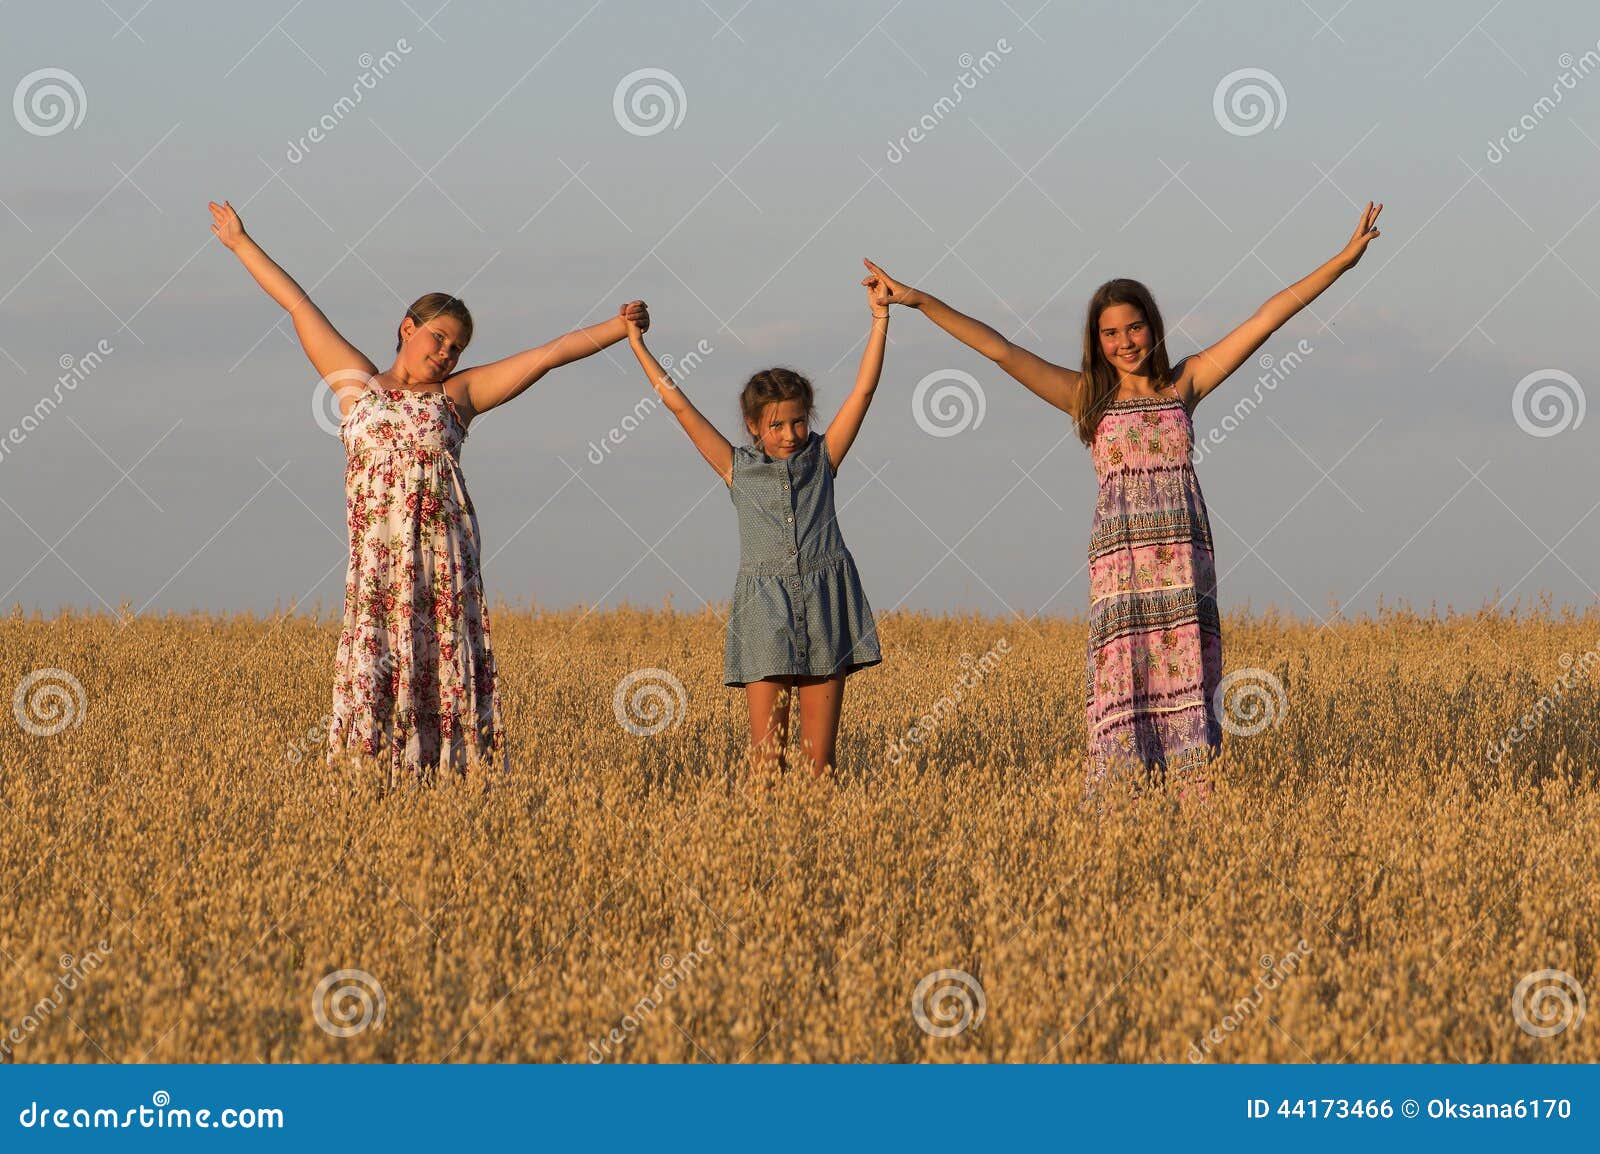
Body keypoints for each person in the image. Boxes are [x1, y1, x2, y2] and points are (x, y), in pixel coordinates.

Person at [860, 203, 1383, 806]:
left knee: (1186, 677)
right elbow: (1000, 350)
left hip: (1184, 565)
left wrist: (1343, 261)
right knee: (1123, 680)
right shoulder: (1086, 397)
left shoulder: (1183, 384)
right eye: (1110, 333)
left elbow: (1268, 317)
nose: (1124, 342)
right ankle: (1122, 809)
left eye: (1133, 328)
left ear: (1151, 327)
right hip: (1121, 567)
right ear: (1096, 340)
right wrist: (919, 300)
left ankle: (1194, 803)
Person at [207, 198, 648, 783]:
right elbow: (297, 304)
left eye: (456, 348)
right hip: (376, 568)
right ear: (406, 328)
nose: (445, 353)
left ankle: (447, 785)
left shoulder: (457, 397)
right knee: (373, 669)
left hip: (443, 566)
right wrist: (240, 243)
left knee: (441, 669)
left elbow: (549, 355)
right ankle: (369, 786)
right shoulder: (357, 387)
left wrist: (620, 328)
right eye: (438, 338)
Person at [620, 265, 892, 778]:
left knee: (820, 766)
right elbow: (679, 407)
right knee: (767, 763)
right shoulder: (736, 468)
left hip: (825, 599)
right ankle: (763, 846)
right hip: (764, 608)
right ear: (753, 426)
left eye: (797, 421)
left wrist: (880, 318)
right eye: (776, 425)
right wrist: (637, 343)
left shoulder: (823, 458)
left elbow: (863, 393)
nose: (789, 434)